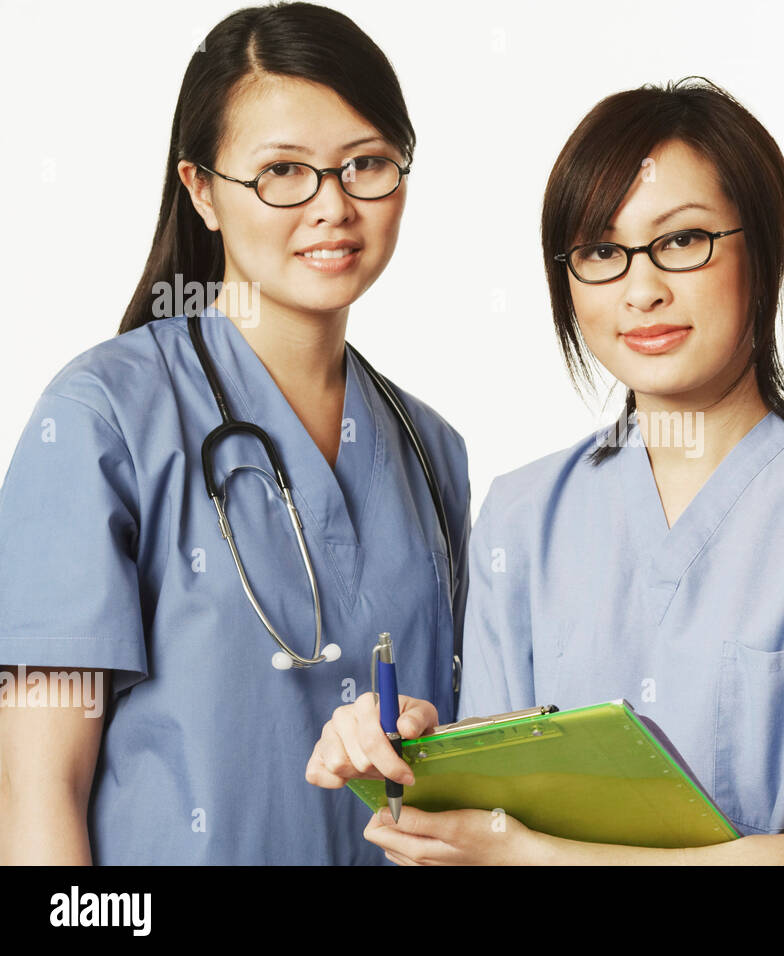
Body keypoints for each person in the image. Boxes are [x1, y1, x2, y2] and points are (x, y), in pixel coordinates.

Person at [307, 78, 784, 864]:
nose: (642, 290)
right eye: (600, 252)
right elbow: (492, 818)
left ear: (764, 249)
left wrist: (537, 858)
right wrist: (413, 761)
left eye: (683, 241)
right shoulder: (523, 517)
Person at [0, 2, 468, 865]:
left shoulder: (431, 450)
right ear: (202, 190)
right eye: (283, 171)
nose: (333, 206)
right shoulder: (101, 419)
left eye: (366, 164)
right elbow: (36, 800)